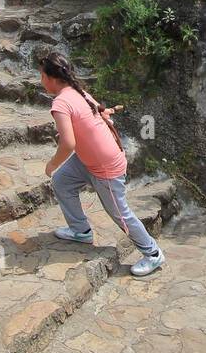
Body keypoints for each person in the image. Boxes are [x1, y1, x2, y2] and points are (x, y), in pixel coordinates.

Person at [40, 53, 166, 278]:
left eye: (41, 75)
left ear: (50, 78)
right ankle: (81, 231)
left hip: (105, 167)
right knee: (62, 182)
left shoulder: (61, 101)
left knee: (120, 214)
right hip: (89, 160)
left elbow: (68, 143)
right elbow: (100, 110)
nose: (41, 80)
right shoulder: (78, 91)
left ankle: (153, 253)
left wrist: (52, 163)